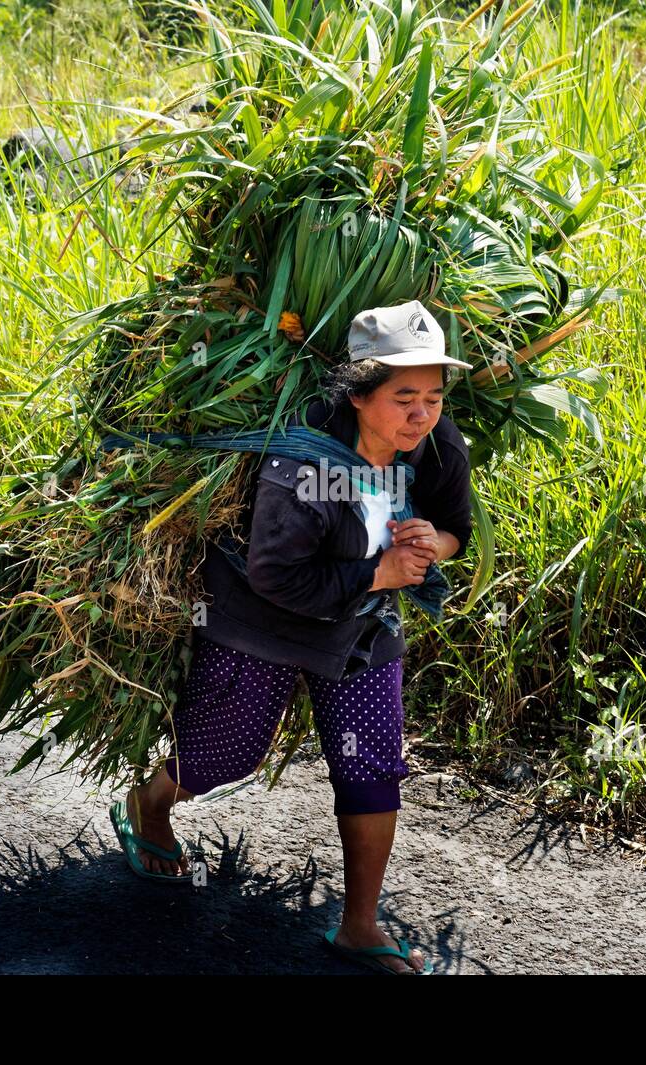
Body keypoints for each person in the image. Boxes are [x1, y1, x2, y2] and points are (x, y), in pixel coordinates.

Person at [111, 299, 473, 974]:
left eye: (432, 396)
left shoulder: (437, 443)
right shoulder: (303, 462)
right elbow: (276, 576)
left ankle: (359, 926)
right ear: (359, 395)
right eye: (404, 398)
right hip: (263, 616)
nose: (422, 414)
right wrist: (379, 572)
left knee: (370, 764)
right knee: (228, 752)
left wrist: (436, 542)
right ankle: (149, 801)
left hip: (361, 628)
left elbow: (457, 524)